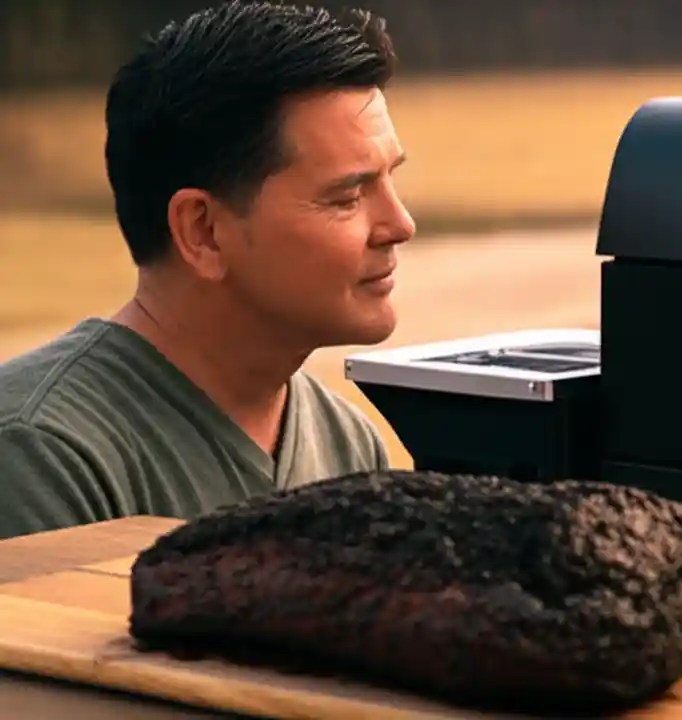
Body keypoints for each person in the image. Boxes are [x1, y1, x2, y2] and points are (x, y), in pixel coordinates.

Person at [0, 1, 416, 540]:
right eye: (346, 196)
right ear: (202, 231)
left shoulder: (348, 445)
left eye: (390, 180)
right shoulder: (42, 456)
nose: (400, 224)